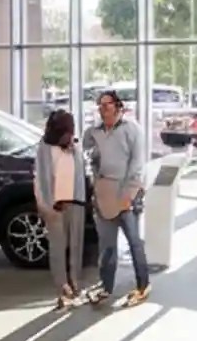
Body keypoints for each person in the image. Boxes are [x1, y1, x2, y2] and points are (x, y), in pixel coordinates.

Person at [85, 90, 151, 307]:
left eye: (107, 105)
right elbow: (86, 154)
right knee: (107, 244)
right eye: (100, 106)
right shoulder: (94, 132)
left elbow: (137, 164)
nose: (103, 109)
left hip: (126, 193)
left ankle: (143, 285)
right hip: (103, 192)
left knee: (134, 241)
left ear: (118, 106)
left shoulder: (132, 130)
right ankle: (106, 285)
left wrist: (129, 195)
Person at [33, 109, 87, 309]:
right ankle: (62, 288)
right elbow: (39, 177)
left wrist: (75, 149)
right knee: (57, 247)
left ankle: (76, 285)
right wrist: (43, 204)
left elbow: (81, 173)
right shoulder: (44, 148)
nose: (69, 134)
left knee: (76, 246)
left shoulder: (75, 146)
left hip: (75, 201)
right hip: (53, 203)